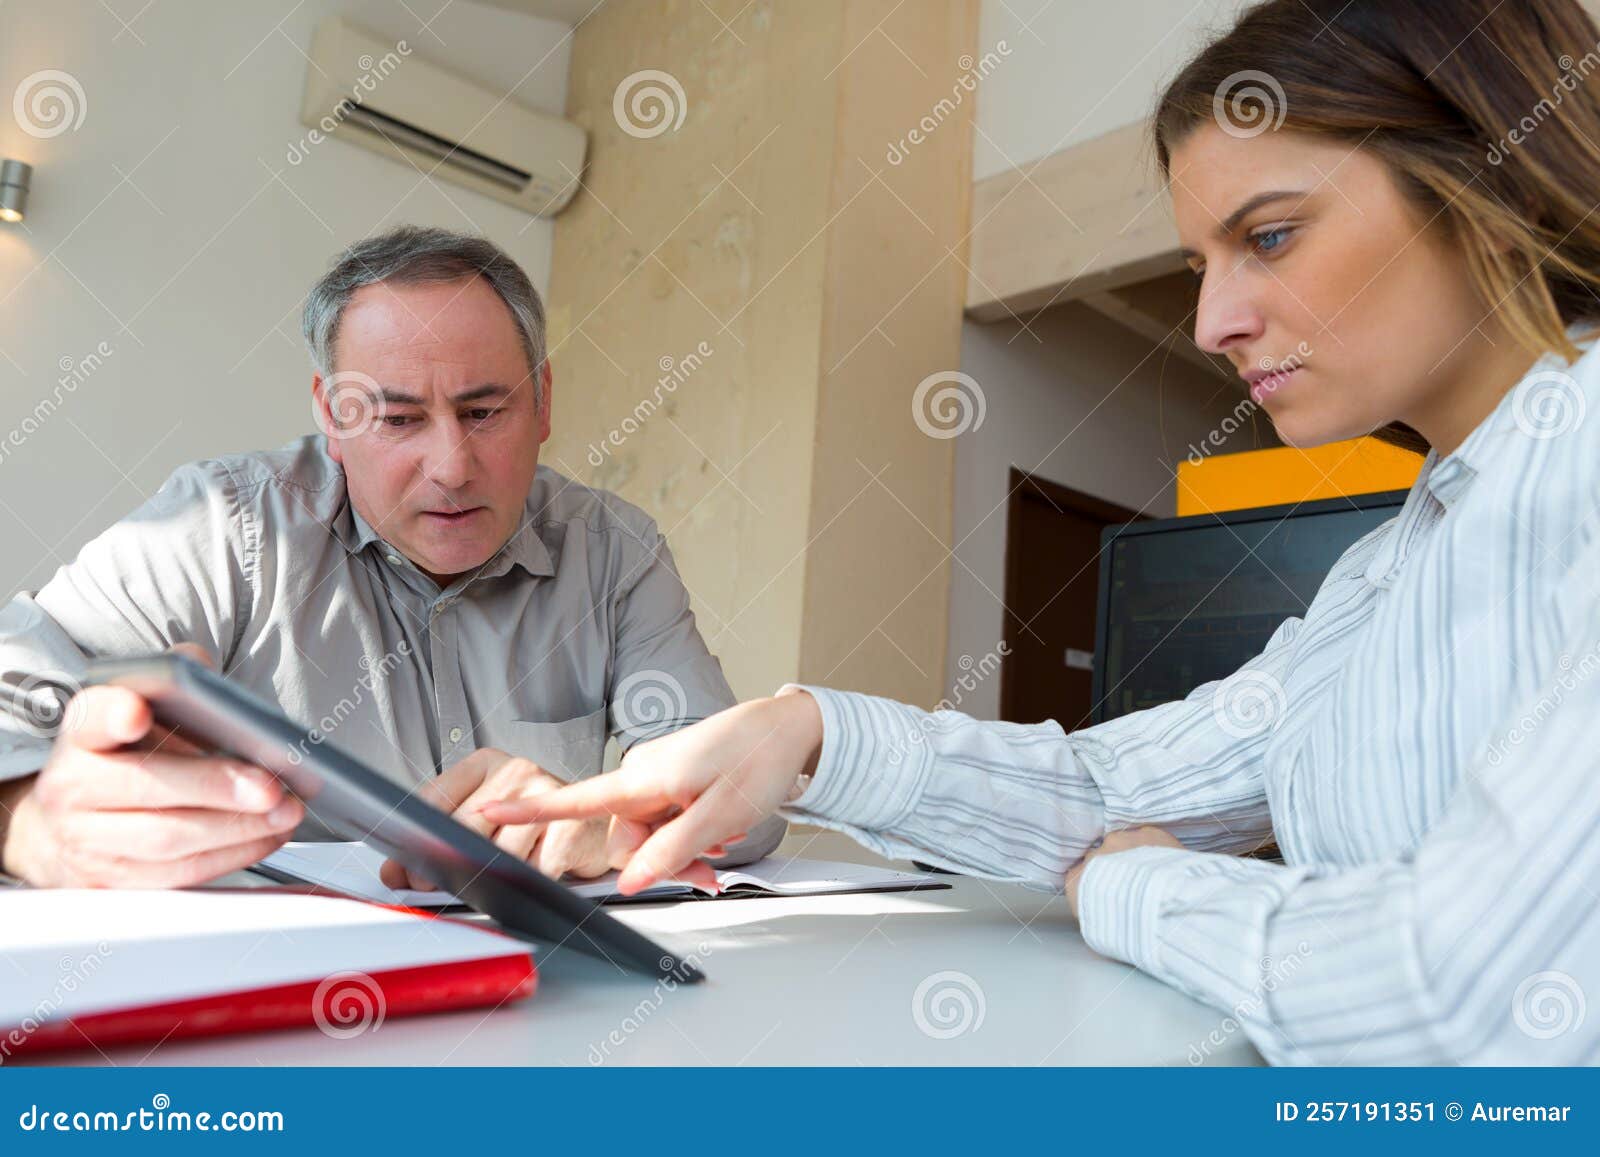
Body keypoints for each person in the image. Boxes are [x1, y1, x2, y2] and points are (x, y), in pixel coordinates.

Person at [480, 0, 1600, 1064]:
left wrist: (1141, 888)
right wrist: (805, 732)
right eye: (1203, 262)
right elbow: (1115, 791)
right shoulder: (1387, 567)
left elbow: (1475, 1005)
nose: (1211, 322)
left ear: (1478, 171)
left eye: (1269, 235)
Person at [0, 225, 782, 888]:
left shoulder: (614, 552)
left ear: (543, 402)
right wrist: (25, 819)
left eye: (483, 411)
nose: (451, 465)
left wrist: (607, 824)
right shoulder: (222, 524)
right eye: (400, 419)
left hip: (536, 995)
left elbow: (743, 804)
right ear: (332, 417)